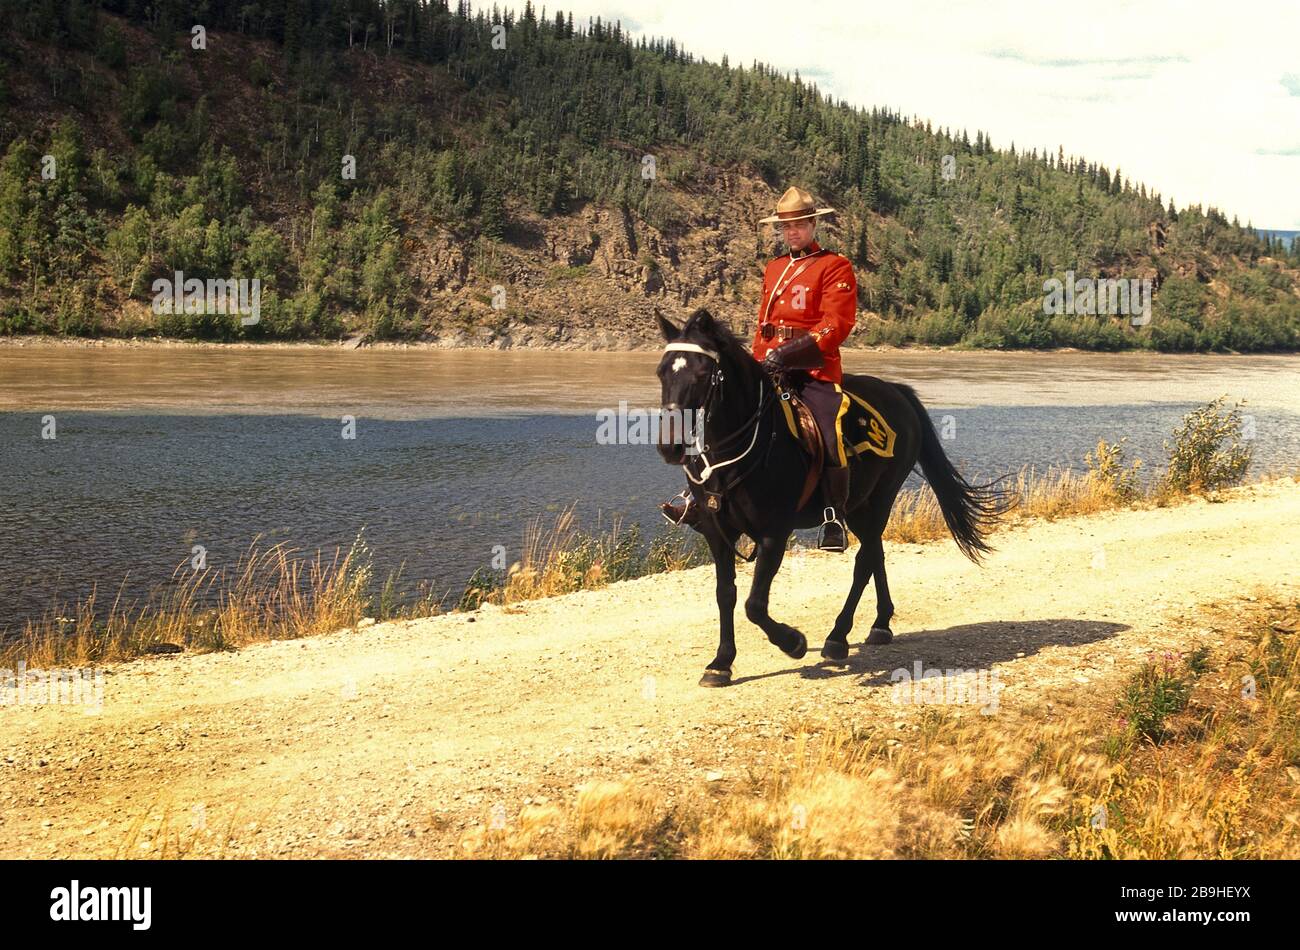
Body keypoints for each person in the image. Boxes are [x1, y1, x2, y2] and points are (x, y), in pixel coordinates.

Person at [661, 186, 858, 551]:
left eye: (798, 224)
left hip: (813, 369)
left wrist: (791, 353)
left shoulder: (835, 266)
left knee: (829, 427)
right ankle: (697, 495)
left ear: (814, 224)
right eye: (786, 226)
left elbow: (836, 324)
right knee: (714, 410)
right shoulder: (775, 268)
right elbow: (764, 324)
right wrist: (756, 363)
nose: (792, 232)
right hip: (767, 363)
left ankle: (833, 515)